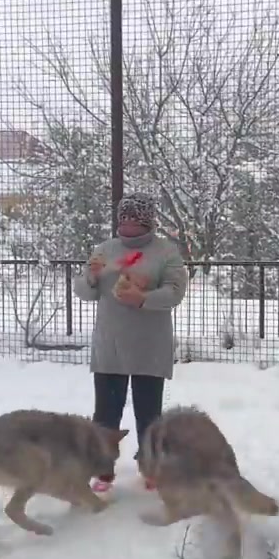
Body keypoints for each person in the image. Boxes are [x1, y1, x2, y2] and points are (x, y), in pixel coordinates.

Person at [73, 192, 189, 492]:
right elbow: (85, 292)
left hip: (150, 345)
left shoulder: (165, 252)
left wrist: (143, 298)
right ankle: (102, 467)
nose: (125, 225)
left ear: (148, 221)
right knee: (105, 412)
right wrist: (92, 278)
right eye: (122, 219)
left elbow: (175, 292)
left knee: (149, 412)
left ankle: (151, 465)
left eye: (133, 220)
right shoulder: (105, 249)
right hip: (111, 344)